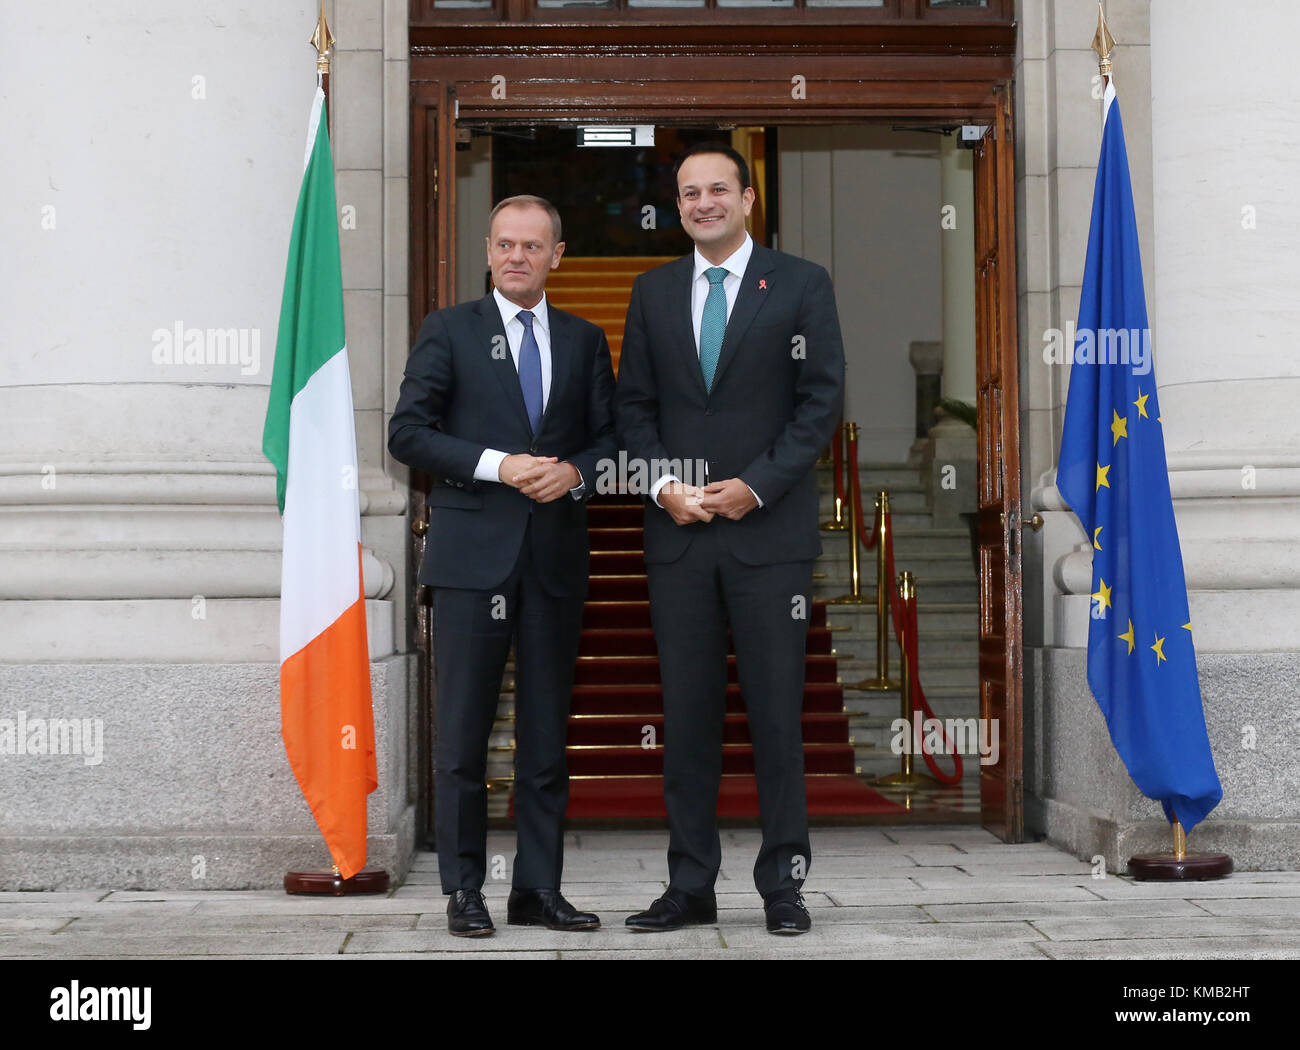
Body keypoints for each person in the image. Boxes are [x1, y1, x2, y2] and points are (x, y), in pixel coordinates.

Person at [615, 143, 845, 935]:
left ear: (747, 198)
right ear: (676, 205)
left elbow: (819, 404)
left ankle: (783, 886)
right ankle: (690, 886)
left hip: (768, 536)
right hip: (679, 537)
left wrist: (756, 486)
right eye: (689, 192)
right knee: (688, 718)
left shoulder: (803, 284)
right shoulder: (650, 292)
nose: (703, 202)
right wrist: (661, 484)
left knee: (779, 718)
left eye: (718, 189)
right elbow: (632, 408)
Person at [388, 195, 615, 936]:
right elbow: (409, 434)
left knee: (546, 739)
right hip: (468, 563)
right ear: (488, 251)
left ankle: (537, 892)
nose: (518, 256)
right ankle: (464, 891)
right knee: (461, 738)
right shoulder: (449, 331)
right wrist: (499, 465)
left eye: (533, 245)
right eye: (505, 244)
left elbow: (613, 442)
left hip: (553, 564)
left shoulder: (584, 341)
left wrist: (575, 474)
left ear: (558, 256)